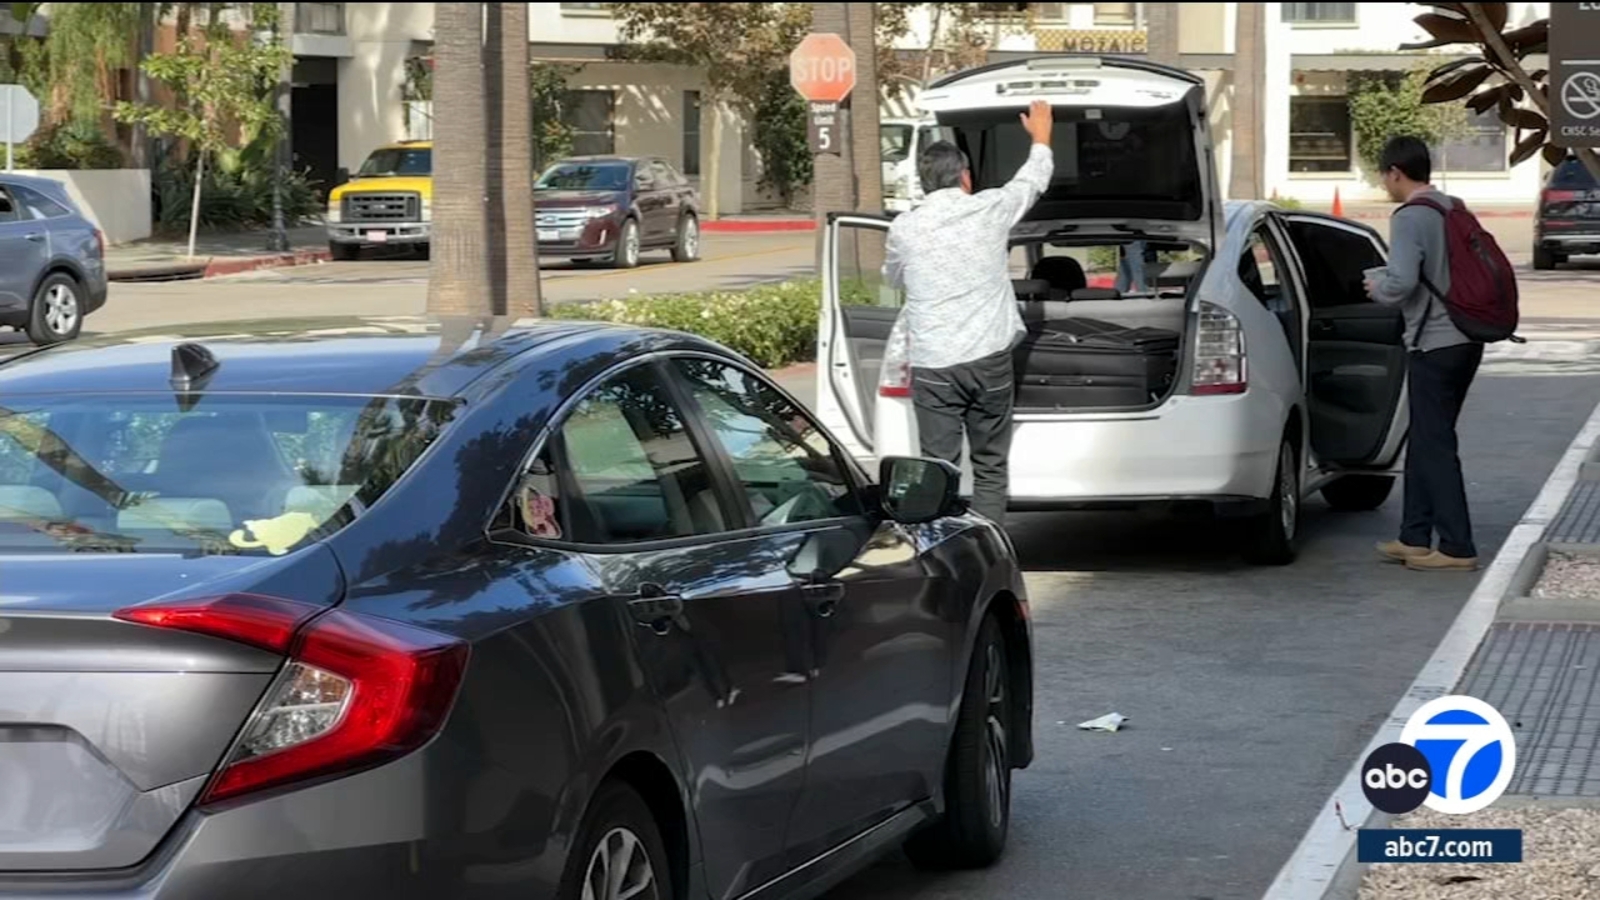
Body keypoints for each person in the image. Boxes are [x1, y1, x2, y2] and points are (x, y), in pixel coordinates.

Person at [882, 99, 1055, 527]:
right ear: (965, 177)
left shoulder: (905, 227)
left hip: (934, 364)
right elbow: (1031, 182)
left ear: (925, 184)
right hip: (989, 359)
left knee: (937, 469)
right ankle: (990, 546)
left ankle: (939, 552)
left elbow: (893, 278)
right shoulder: (988, 209)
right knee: (991, 464)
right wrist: (1041, 137)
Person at [1365, 135, 1482, 572]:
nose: (1385, 183)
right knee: (1427, 438)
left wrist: (1377, 287)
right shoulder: (1453, 206)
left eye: (1385, 175)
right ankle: (1414, 535)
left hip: (1434, 340)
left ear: (1396, 171)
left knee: (1435, 444)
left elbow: (1401, 282)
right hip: (1467, 336)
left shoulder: (1411, 216)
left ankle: (1457, 547)